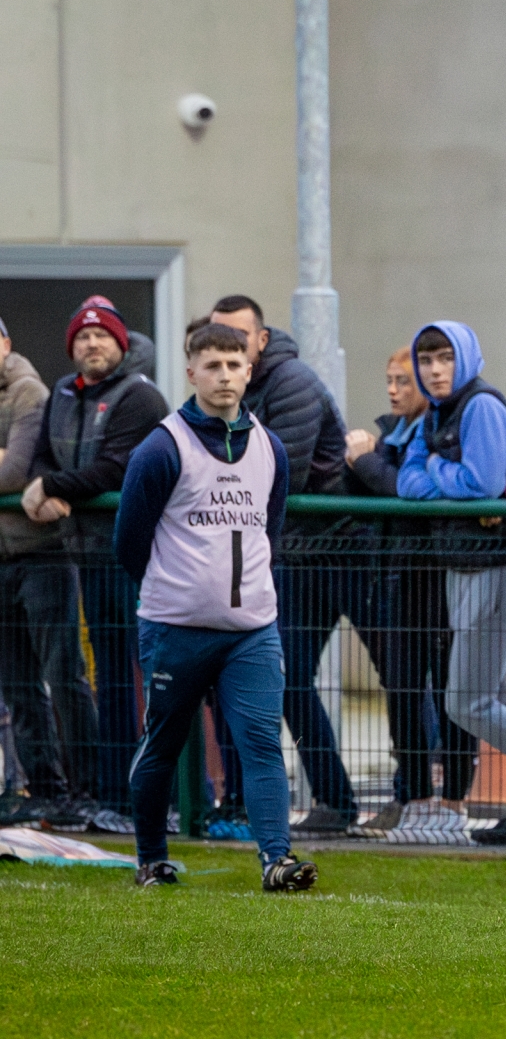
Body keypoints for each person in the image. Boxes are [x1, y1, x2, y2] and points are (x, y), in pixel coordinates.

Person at [113, 322, 315, 891]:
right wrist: (174, 593)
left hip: (251, 628)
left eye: (234, 364)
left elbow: (267, 532)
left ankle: (276, 860)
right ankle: (151, 858)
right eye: (213, 365)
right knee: (164, 744)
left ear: (250, 369)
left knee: (260, 741)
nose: (224, 376)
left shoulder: (271, 447)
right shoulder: (161, 447)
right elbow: (130, 540)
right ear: (192, 372)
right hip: (175, 627)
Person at [399, 321, 506, 845]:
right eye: (426, 360)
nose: (434, 370)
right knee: (500, 693)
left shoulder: (481, 406)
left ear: (466, 358)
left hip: (496, 566)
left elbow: (482, 483)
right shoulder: (435, 413)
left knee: (464, 702)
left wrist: (434, 470)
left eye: (444, 358)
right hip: (464, 564)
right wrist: (437, 470)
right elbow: (407, 483)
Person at [207, 295, 357, 836]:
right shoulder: (239, 389)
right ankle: (336, 802)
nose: (227, 347)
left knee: (404, 677)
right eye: (216, 336)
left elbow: (275, 468)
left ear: (261, 339)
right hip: (296, 552)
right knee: (287, 679)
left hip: (344, 547)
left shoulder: (290, 381)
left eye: (237, 337)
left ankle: (423, 803)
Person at [23, 299, 168, 823]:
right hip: (83, 551)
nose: (92, 345)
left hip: (135, 555)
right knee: (108, 674)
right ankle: (110, 795)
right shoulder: (62, 392)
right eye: (83, 338)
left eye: (102, 337)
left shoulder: (141, 397)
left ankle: (158, 796)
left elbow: (115, 468)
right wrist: (47, 484)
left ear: (120, 343)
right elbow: (41, 453)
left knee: (150, 672)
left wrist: (51, 487)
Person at [345, 347, 475, 844]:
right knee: (401, 689)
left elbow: (404, 490)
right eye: (391, 380)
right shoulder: (390, 434)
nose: (395, 389)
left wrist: (367, 461)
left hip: (439, 576)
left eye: (404, 380)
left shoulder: (440, 430)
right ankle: (415, 798)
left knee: (452, 692)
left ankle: (453, 801)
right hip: (396, 577)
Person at [0, 317, 98, 829]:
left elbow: (16, 471)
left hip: (42, 553)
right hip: (2, 559)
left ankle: (87, 789)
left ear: (7, 342)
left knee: (64, 676)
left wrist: (7, 462)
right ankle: (43, 788)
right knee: (16, 685)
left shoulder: (29, 391)